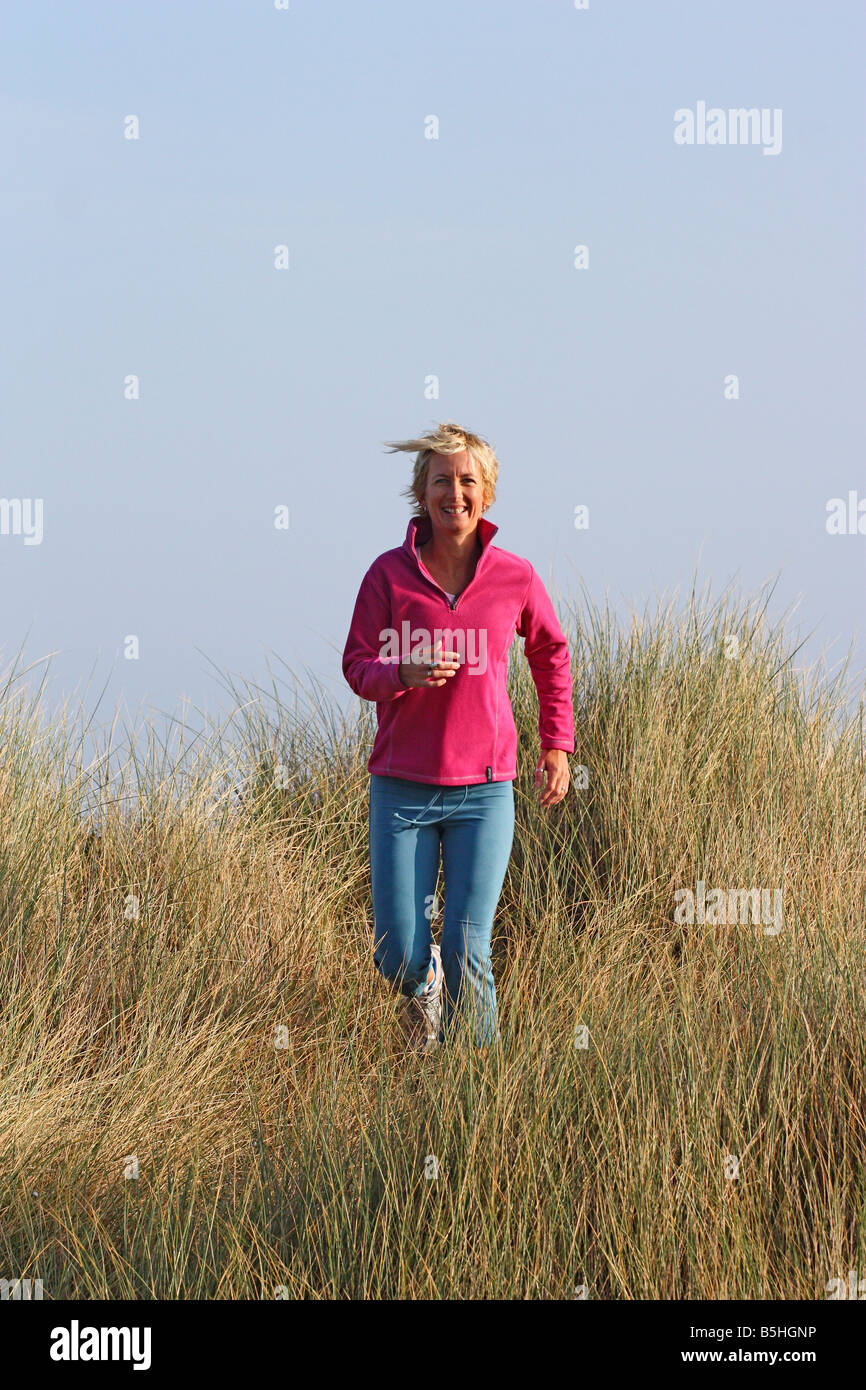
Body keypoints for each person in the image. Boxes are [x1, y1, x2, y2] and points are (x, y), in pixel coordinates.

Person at [342, 422, 574, 1052]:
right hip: (402, 788)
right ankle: (423, 998)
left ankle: (477, 1096)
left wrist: (558, 742)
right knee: (397, 955)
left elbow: (551, 653)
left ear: (487, 493)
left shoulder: (515, 577)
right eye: (441, 479)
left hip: (486, 789)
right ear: (421, 493)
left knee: (469, 946)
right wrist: (402, 673)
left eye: (467, 480)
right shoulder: (387, 576)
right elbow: (357, 665)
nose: (455, 492)